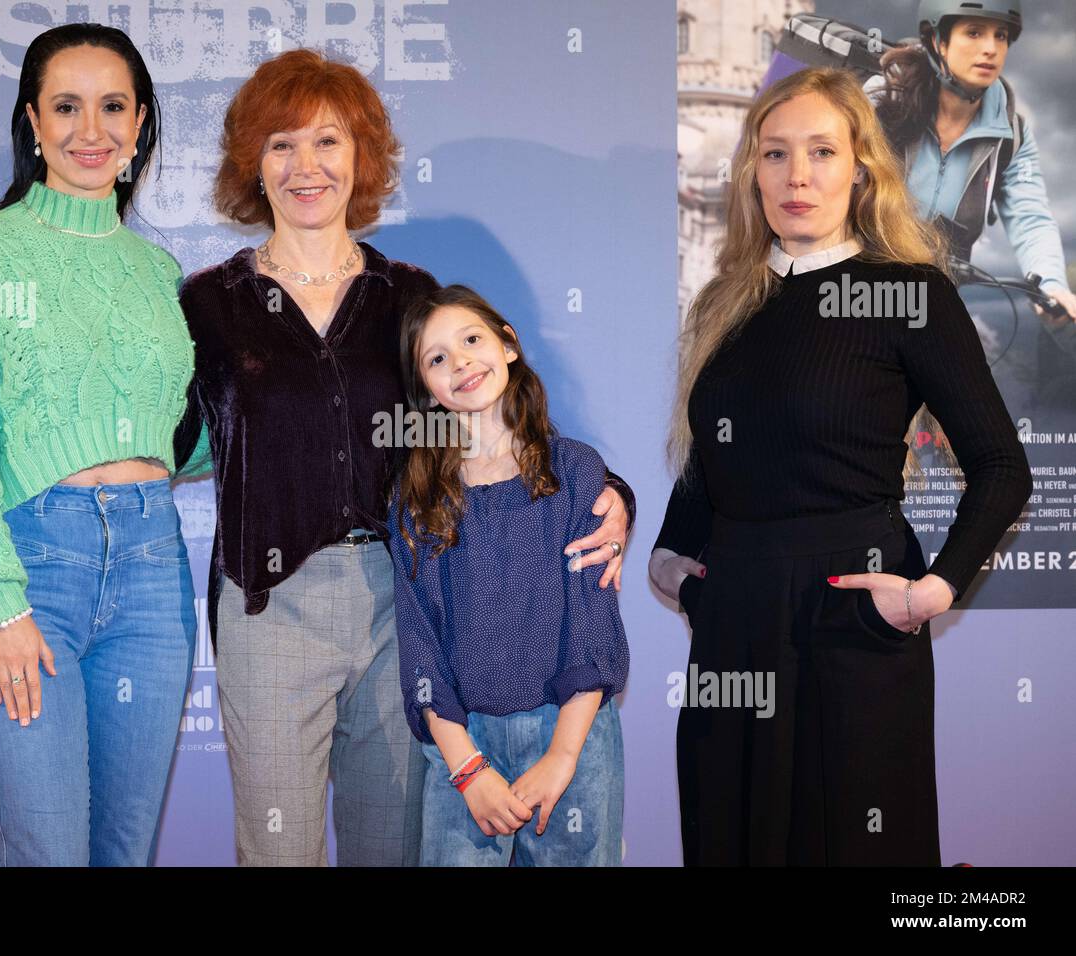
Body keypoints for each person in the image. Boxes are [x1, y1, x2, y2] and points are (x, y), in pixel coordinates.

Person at [173, 48, 635, 866]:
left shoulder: (409, 294)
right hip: (270, 609)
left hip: (406, 607)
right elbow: (161, 442)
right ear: (254, 163)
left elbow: (495, 417)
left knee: (393, 850)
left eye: (327, 142)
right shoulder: (208, 304)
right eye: (279, 144)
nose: (304, 166)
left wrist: (612, 493)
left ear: (362, 159)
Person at [649, 67, 1031, 865]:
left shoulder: (908, 294)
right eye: (775, 153)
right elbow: (710, 458)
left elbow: (1000, 467)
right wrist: (671, 561)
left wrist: (930, 591)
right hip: (735, 622)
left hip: (852, 611)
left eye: (822, 151)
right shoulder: (726, 301)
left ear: (861, 167)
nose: (797, 176)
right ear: (751, 170)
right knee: (732, 838)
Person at [0, 23, 212, 866]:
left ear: (141, 124)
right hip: (30, 565)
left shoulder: (156, 274)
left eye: (113, 106)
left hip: (151, 570)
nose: (91, 130)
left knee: (123, 850)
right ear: (31, 122)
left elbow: (187, 435)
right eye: (66, 106)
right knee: (47, 849)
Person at [389, 285, 629, 867]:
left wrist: (562, 758)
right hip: (462, 750)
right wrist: (468, 769)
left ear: (509, 344)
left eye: (472, 339)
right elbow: (420, 646)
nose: (461, 361)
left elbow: (591, 626)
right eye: (437, 358)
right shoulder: (415, 496)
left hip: (571, 737)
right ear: (426, 390)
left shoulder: (573, 469)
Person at [867, 0, 1075, 321]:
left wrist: (1050, 284)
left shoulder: (1010, 134)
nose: (991, 48)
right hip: (854, 290)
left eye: (1001, 36)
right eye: (974, 32)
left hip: (929, 302)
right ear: (938, 41)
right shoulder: (883, 98)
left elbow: (1030, 216)